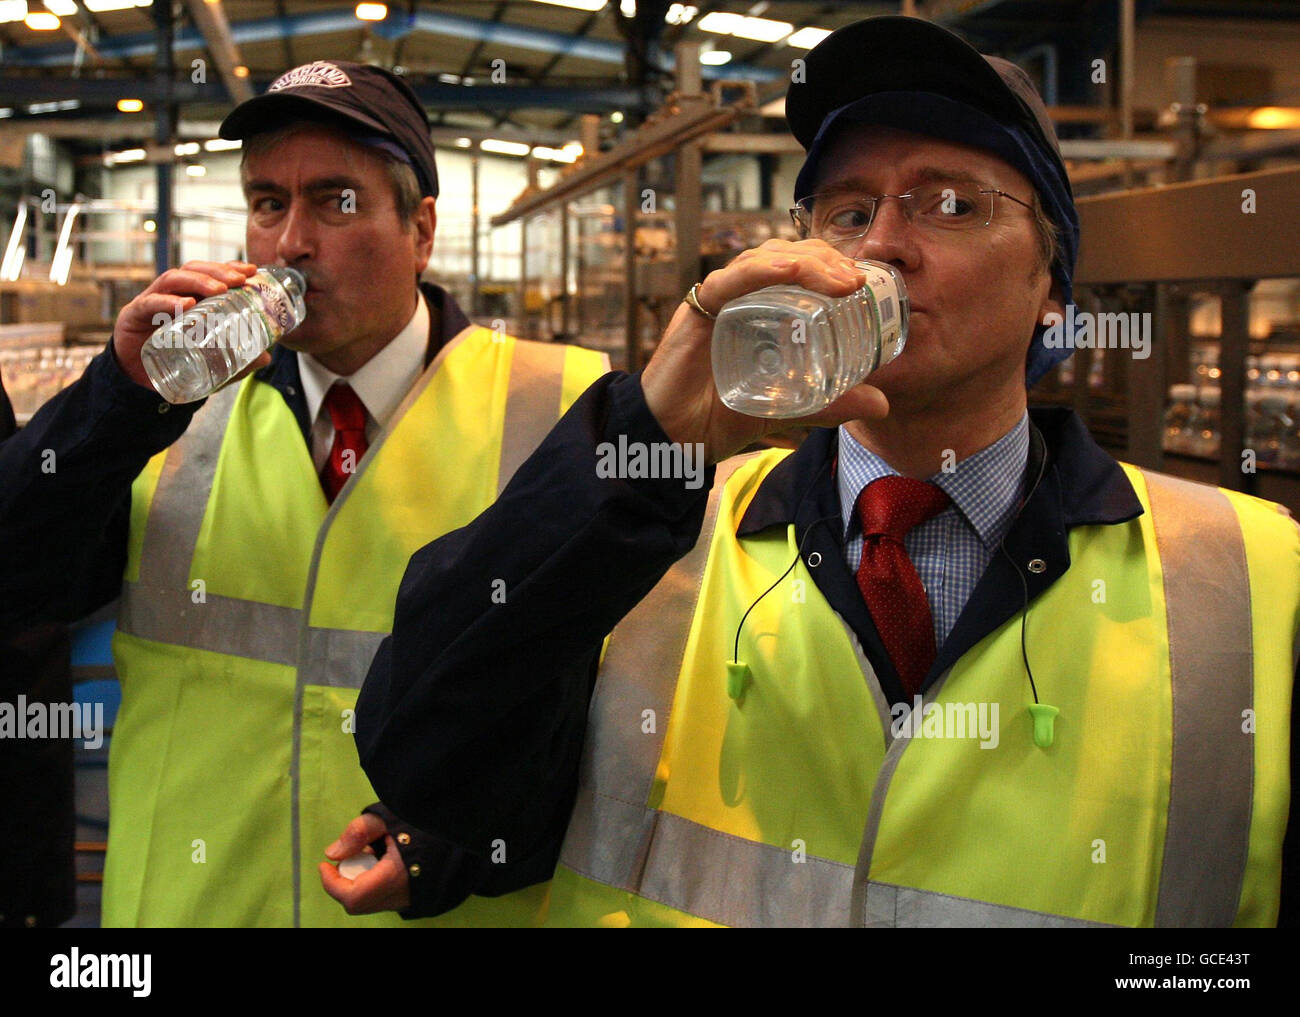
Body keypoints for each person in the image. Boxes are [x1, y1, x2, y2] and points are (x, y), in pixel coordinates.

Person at [353, 16, 1298, 927]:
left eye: (954, 204)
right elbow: (419, 751)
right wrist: (641, 442)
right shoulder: (661, 533)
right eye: (850, 210)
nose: (882, 243)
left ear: (1051, 280)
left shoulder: (1245, 580)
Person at [0, 60, 608, 927]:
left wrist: (458, 844)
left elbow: (614, 718)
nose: (290, 242)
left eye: (336, 201)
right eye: (267, 203)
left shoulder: (561, 413)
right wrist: (114, 399)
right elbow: (16, 578)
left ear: (421, 228)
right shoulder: (166, 413)